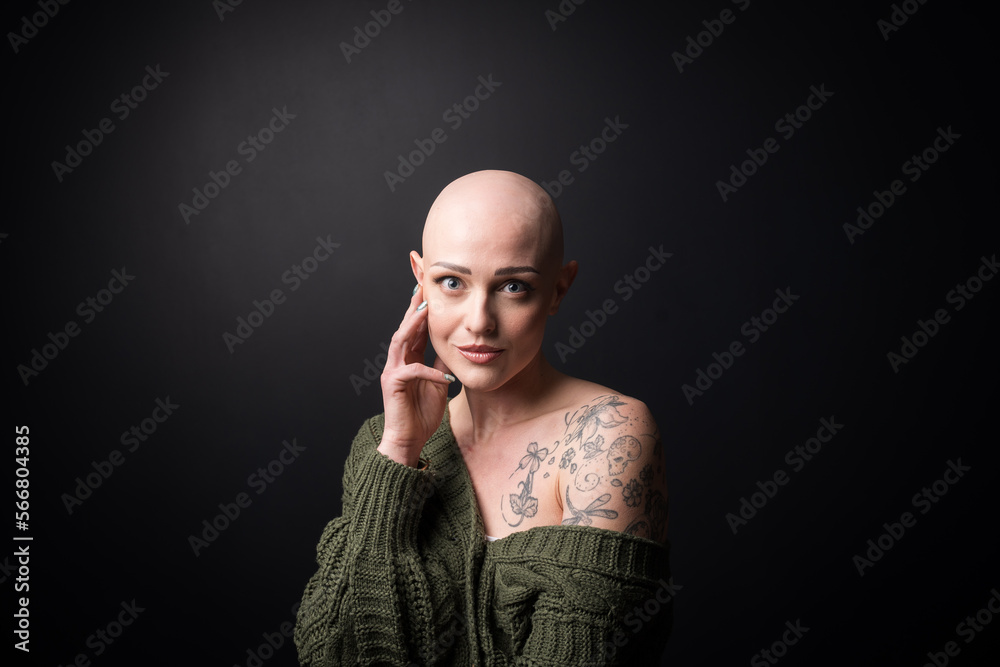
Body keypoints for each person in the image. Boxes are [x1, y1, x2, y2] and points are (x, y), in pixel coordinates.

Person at [294, 170, 672, 665]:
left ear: (558, 289)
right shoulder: (383, 444)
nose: (479, 321)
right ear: (419, 277)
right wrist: (398, 455)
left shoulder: (606, 436)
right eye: (451, 282)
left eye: (513, 286)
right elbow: (329, 653)